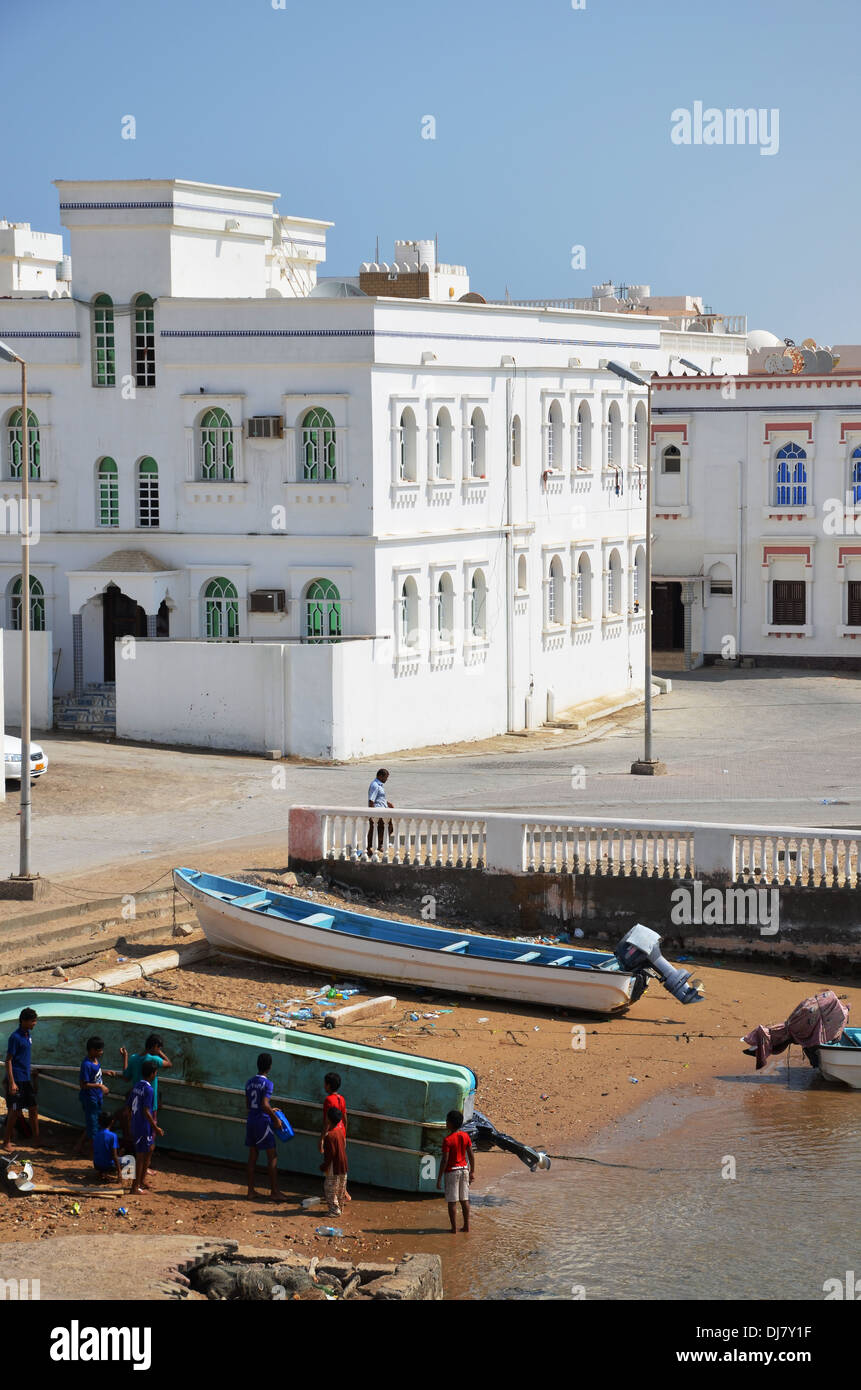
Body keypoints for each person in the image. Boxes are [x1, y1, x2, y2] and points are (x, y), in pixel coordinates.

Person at [120, 1034, 171, 1163]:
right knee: (150, 1141)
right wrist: (160, 1053)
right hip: (149, 1104)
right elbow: (169, 1064)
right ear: (155, 1047)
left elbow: (126, 1077)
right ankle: (143, 1169)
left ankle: (137, 1165)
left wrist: (125, 1057)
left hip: (135, 1104)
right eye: (158, 1048)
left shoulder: (133, 1058)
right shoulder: (154, 1059)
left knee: (137, 1136)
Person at [245, 1053, 285, 1200]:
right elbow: (264, 1104)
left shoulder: (249, 1082)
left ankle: (250, 1191)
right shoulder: (268, 1084)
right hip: (262, 1122)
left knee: (252, 1156)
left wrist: (267, 1109)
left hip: (251, 1120)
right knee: (272, 1156)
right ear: (270, 1067)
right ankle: (274, 1192)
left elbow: (249, 1105)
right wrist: (275, 1118)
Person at [3, 1008, 39, 1152]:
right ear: (24, 1021)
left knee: (33, 1108)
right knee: (14, 1111)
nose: (35, 1023)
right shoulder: (15, 1037)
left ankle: (37, 1140)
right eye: (33, 1021)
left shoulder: (27, 1035)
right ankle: (6, 1142)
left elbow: (22, 1058)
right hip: (17, 1079)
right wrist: (12, 1082)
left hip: (26, 1078)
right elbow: (8, 1060)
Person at [126, 1061, 162, 1195]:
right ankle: (134, 1187)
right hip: (143, 1126)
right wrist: (155, 1127)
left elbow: (129, 1107)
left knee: (148, 1150)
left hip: (137, 1125)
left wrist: (131, 1122)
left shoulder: (137, 1086)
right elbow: (147, 1111)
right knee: (140, 1157)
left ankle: (140, 1182)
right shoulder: (149, 1089)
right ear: (152, 1074)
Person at [436, 1109, 474, 1233]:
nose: (446, 1123)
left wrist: (439, 1178)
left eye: (447, 1121)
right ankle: (466, 1226)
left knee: (452, 1201)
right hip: (464, 1170)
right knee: (464, 1200)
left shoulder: (447, 1140)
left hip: (452, 1172)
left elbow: (444, 1160)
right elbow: (471, 1155)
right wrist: (472, 1171)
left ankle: (453, 1229)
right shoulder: (465, 1136)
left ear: (451, 1123)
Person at [74, 1035, 112, 1155]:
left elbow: (95, 1074)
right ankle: (93, 1152)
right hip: (90, 1098)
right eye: (99, 1050)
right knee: (93, 1127)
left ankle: (79, 1146)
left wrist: (105, 1072)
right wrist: (100, 1086)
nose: (101, 1052)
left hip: (96, 1098)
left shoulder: (95, 1061)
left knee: (93, 1123)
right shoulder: (86, 1064)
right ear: (92, 1050)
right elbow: (83, 1084)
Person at [319, 1071, 350, 1202]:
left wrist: (321, 1139)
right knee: (339, 1164)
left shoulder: (328, 1100)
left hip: (332, 1132)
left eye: (325, 1084)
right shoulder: (341, 1098)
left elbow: (327, 1121)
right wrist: (345, 1135)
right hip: (341, 1133)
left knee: (331, 1164)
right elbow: (345, 1118)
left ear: (328, 1085)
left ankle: (335, 1193)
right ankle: (343, 1192)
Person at [320, 1105, 348, 1217]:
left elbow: (330, 1154)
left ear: (328, 1119)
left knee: (329, 1187)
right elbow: (344, 1145)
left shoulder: (329, 1136)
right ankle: (340, 1207)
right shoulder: (341, 1130)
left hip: (334, 1165)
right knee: (341, 1187)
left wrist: (325, 1165)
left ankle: (334, 1210)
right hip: (343, 1163)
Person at [367, 768, 394, 855]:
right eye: (386, 777)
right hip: (378, 812)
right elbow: (371, 800)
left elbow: (380, 799)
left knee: (384, 828)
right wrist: (372, 814)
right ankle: (371, 847)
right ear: (380, 776)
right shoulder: (375, 785)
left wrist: (388, 804)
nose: (386, 779)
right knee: (376, 829)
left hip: (383, 811)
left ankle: (378, 845)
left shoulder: (380, 785)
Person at [92, 1112, 124, 1185]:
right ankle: (123, 1175)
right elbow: (114, 1156)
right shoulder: (112, 1136)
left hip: (96, 1165)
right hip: (108, 1166)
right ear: (112, 1122)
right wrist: (119, 1172)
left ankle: (101, 1173)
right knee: (130, 1159)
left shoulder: (96, 1134)